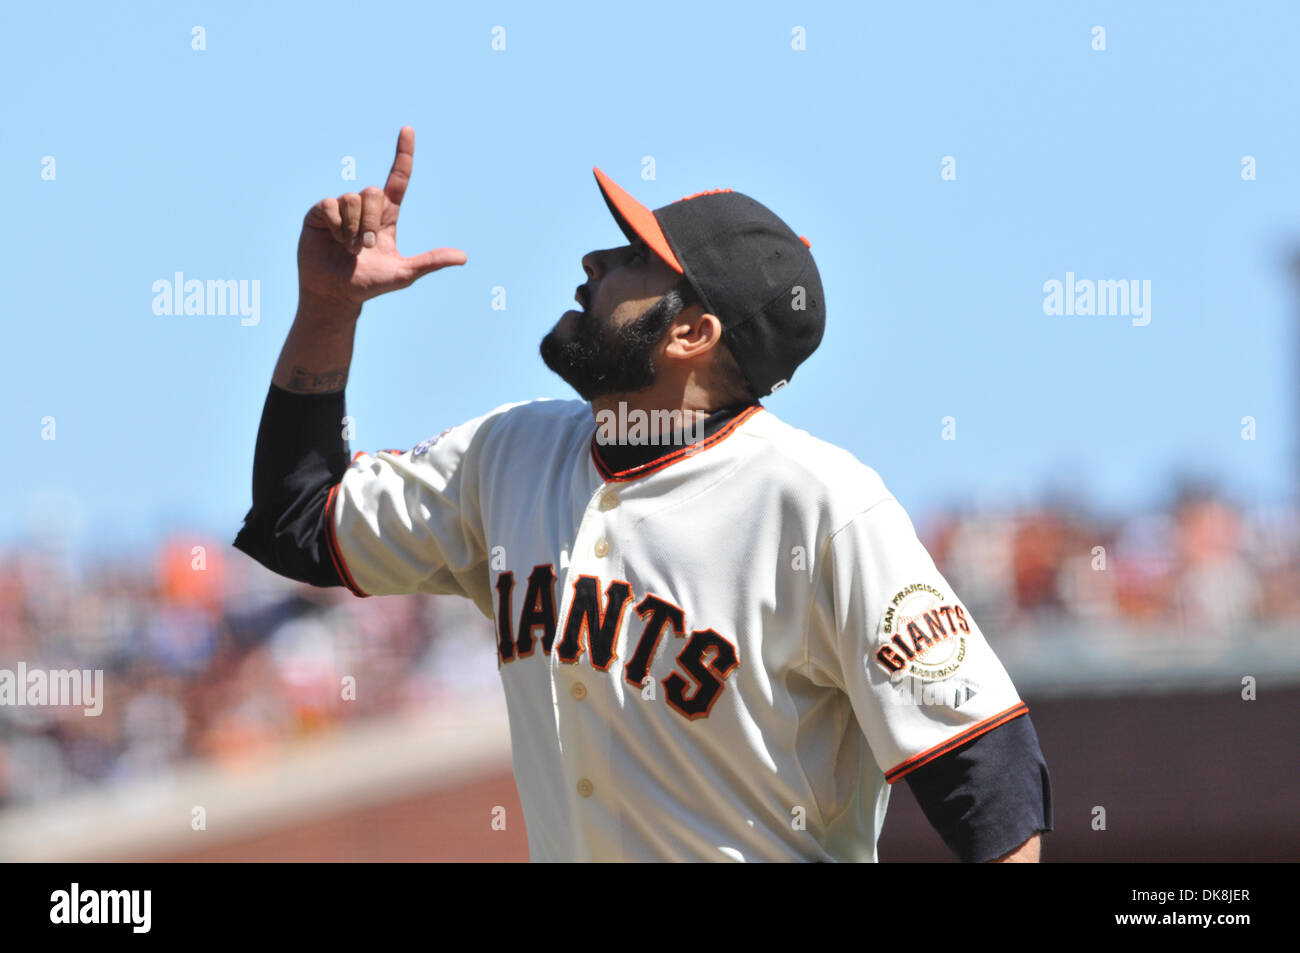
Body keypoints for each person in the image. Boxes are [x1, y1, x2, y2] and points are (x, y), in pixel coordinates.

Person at [234, 126, 1052, 862]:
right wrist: (329, 310)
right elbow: (297, 519)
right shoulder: (510, 453)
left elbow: (986, 770)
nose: (593, 263)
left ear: (692, 334)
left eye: (632, 259)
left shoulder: (819, 504)